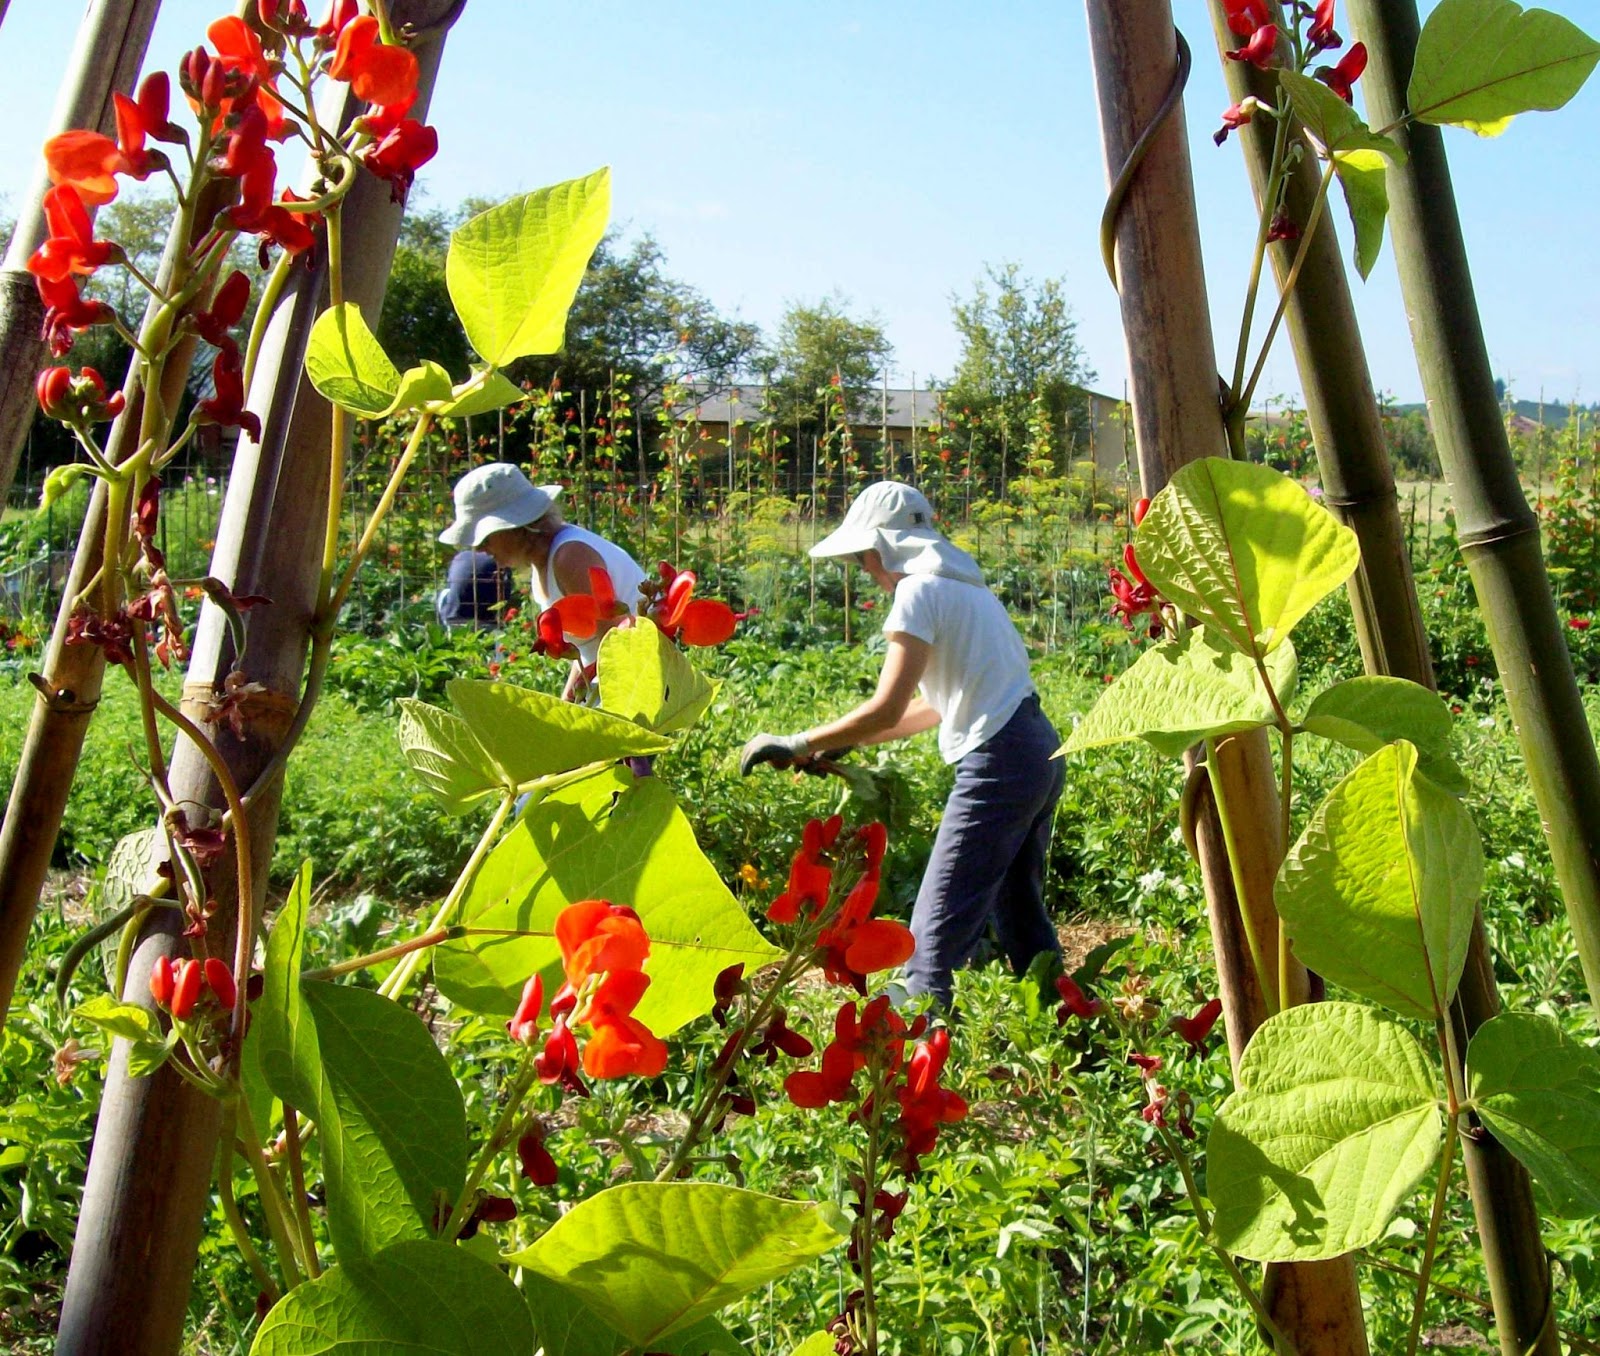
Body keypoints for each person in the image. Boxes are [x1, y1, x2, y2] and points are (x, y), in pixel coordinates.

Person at [740, 481, 1064, 1006]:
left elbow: (886, 708)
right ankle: (1072, 1022)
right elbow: (934, 708)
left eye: (864, 559)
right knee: (1020, 911)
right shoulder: (968, 589)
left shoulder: (918, 592)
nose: (867, 571)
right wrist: (835, 745)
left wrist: (796, 740)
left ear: (881, 548)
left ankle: (915, 1046)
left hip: (1000, 760)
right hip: (1038, 749)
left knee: (935, 927)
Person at [440, 463, 647, 700]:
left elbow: (619, 642)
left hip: (636, 679)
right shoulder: (545, 562)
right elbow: (589, 651)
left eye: (485, 537)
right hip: (614, 678)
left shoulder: (569, 557)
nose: (479, 548)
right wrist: (566, 704)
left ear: (517, 526)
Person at [435, 549, 513, 629]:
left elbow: (450, 583)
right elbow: (506, 595)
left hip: (451, 615)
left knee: (445, 591)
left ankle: (443, 628)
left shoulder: (461, 555)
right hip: (483, 620)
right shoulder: (500, 559)